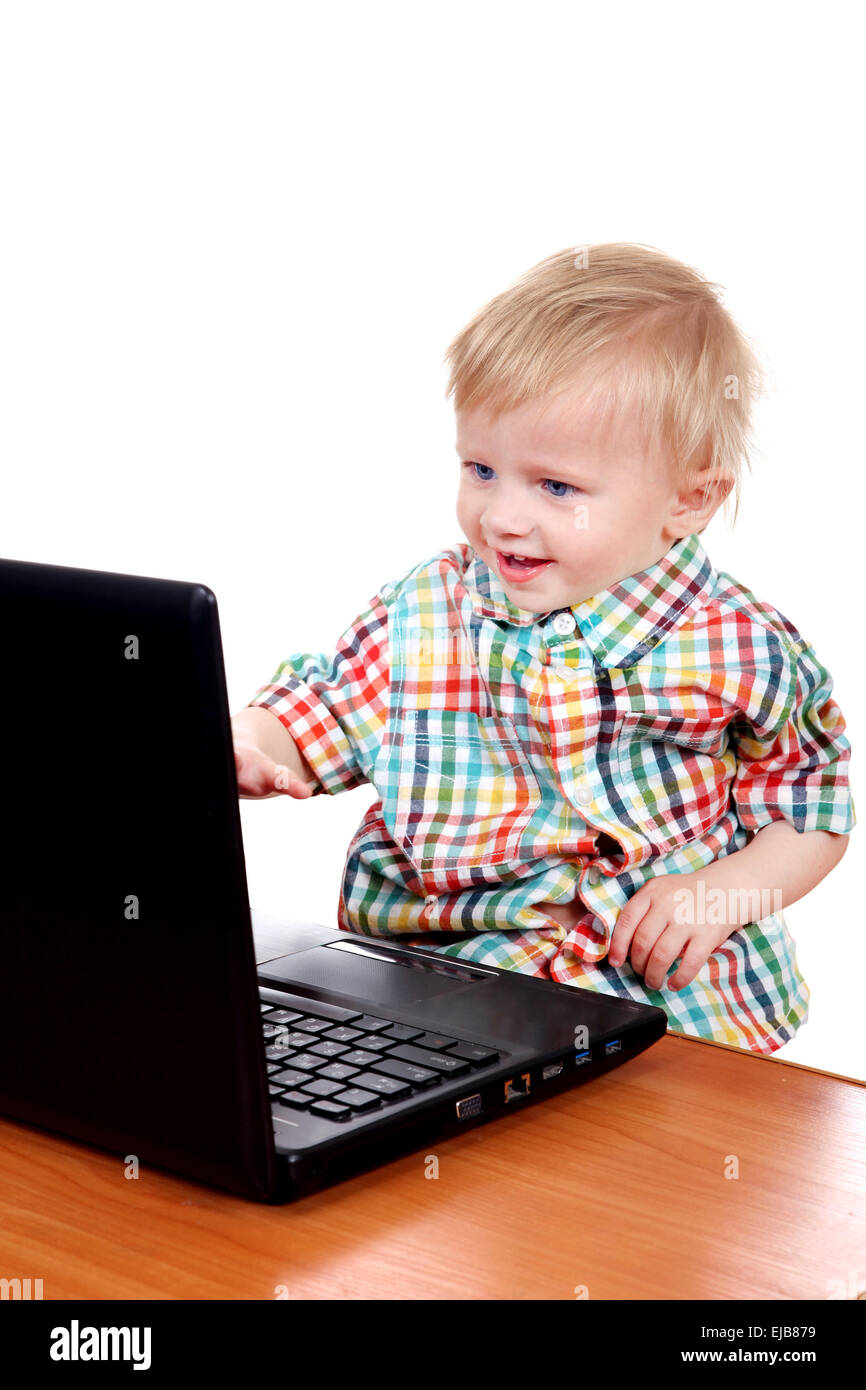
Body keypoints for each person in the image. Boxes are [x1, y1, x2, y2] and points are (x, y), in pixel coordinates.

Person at [231, 243, 854, 1054]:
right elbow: (318, 713)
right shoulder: (427, 612)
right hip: (443, 997)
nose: (502, 517)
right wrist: (254, 743)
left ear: (689, 500)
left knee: (663, 1165)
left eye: (556, 487)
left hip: (672, 1005)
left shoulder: (739, 645)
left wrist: (721, 893)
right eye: (482, 469)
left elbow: (812, 810)